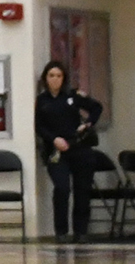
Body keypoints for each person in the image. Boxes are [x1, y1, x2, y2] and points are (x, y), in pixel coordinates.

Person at [37, 60, 103, 242]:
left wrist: (88, 123)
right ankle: (61, 231)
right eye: (51, 75)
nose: (55, 79)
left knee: (82, 190)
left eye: (59, 76)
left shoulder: (73, 96)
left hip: (79, 148)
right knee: (62, 188)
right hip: (56, 151)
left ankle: (81, 231)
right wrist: (53, 139)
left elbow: (97, 107)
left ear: (63, 78)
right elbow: (39, 126)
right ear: (45, 78)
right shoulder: (41, 101)